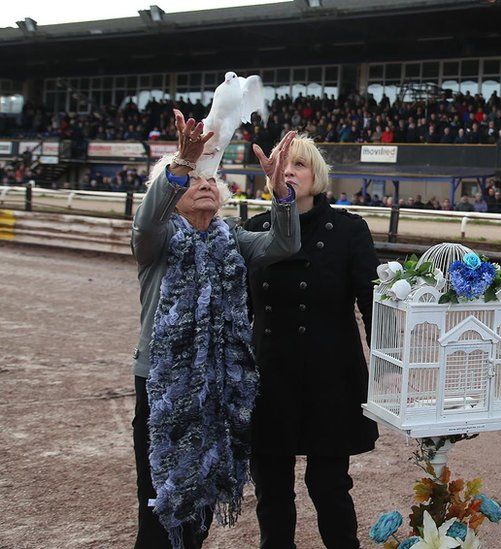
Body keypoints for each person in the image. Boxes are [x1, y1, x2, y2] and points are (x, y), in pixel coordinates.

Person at [131, 112, 300, 548]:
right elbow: (146, 221)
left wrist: (282, 195)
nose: (205, 184)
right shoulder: (158, 241)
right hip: (163, 385)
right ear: (172, 197)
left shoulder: (234, 240)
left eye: (211, 180)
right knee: (161, 500)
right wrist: (179, 165)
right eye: (194, 180)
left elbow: (283, 244)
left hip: (219, 386)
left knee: (204, 494)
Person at [244, 134, 380, 549]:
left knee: (329, 487)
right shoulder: (253, 230)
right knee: (272, 491)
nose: (289, 171)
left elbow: (372, 303)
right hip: (269, 376)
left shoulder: (349, 230)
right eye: (282, 164)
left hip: (330, 378)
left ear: (316, 174)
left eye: (299, 165)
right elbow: (239, 312)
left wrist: (392, 368)